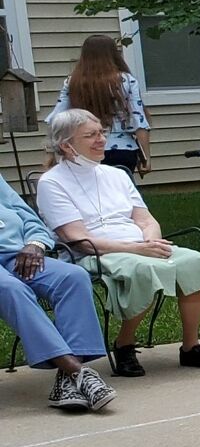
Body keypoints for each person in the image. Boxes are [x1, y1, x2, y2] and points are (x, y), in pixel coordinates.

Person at [38, 109, 200, 376]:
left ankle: (190, 346)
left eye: (102, 132)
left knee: (194, 261)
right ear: (66, 145)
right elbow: (78, 239)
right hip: (96, 253)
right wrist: (138, 250)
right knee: (145, 269)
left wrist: (151, 241)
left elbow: (146, 219)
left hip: (139, 246)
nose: (102, 139)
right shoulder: (52, 183)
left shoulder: (116, 175)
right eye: (91, 135)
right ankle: (124, 344)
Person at [0, 172, 113, 411]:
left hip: (16, 255)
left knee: (73, 277)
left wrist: (35, 244)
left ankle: (67, 382)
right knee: (11, 288)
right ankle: (77, 371)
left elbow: (30, 219)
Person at [48, 35, 150, 175]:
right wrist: (146, 157)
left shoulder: (73, 82)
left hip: (83, 149)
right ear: (114, 54)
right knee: (119, 193)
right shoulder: (126, 80)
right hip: (122, 150)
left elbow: (57, 119)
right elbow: (139, 120)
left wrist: (50, 152)